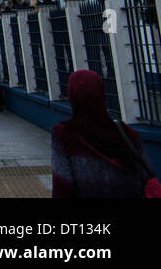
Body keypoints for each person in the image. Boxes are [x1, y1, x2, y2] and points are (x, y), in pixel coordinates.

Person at [52, 69, 159, 198]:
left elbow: (62, 185)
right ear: (101, 93)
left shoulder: (64, 134)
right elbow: (145, 176)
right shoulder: (128, 134)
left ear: (72, 96)